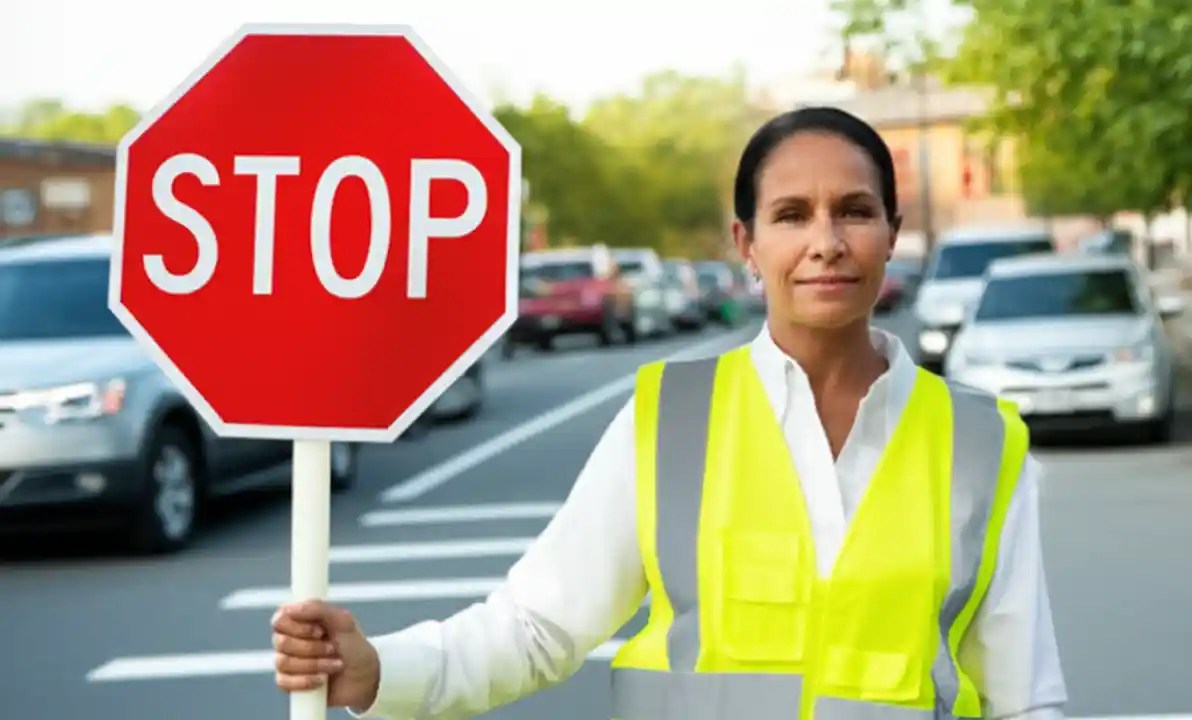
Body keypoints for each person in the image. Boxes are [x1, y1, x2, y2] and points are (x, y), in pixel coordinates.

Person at [270, 106, 1069, 720]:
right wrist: (379, 671)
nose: (825, 240)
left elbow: (1024, 693)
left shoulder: (979, 439)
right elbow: (537, 627)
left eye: (855, 210)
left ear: (893, 233)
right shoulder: (670, 418)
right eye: (791, 215)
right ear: (746, 244)